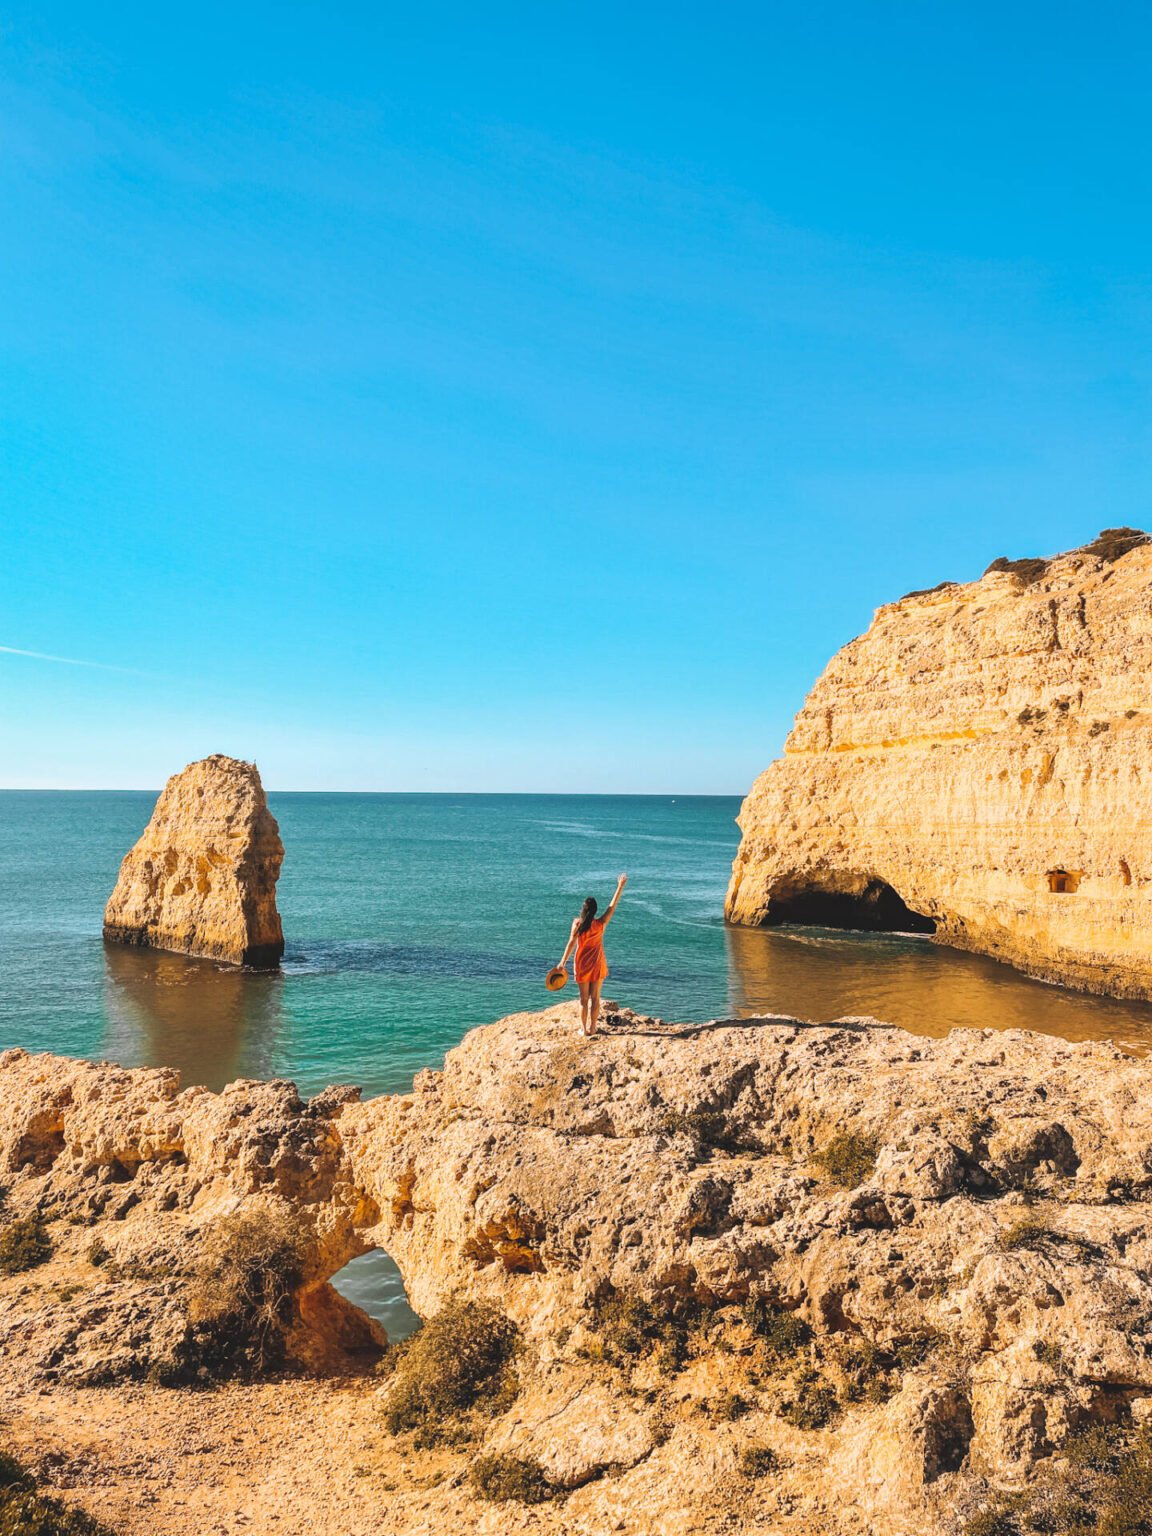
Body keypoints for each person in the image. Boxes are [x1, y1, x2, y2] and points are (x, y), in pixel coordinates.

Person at [557, 874, 627, 1036]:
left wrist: (563, 962)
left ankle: (584, 1029)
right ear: (595, 911)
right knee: (595, 998)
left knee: (584, 999)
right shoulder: (600, 924)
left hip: (582, 964)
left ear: (583, 910)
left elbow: (571, 944)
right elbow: (612, 906)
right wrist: (620, 886)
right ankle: (593, 1027)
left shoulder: (577, 924)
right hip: (597, 963)